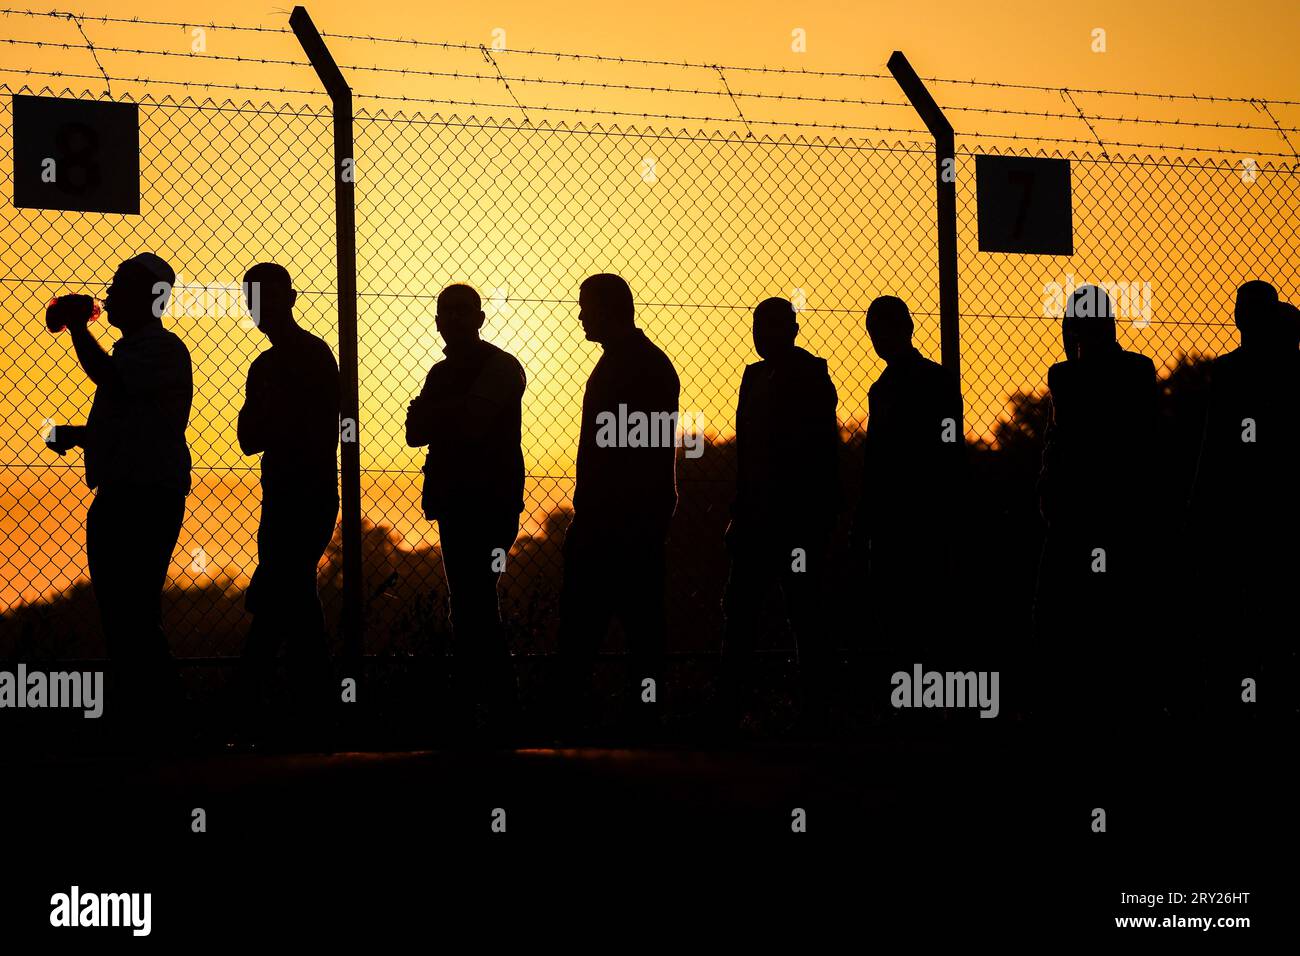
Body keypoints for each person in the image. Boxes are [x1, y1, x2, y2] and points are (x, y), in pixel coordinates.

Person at [45, 253, 192, 723]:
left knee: (133, 614)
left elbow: (113, 382)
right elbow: (136, 421)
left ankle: (165, 720)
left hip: (143, 496)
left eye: (120, 285)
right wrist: (79, 434)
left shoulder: (162, 349)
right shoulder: (136, 350)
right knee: (123, 615)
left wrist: (77, 328)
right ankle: (149, 718)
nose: (107, 292)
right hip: (129, 491)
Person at [557, 274, 680, 738]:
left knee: (600, 633)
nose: (581, 315)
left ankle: (595, 727)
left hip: (620, 524)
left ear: (610, 308)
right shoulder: (630, 363)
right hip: (620, 521)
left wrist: (605, 516)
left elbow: (637, 455)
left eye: (587, 306)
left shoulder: (637, 367)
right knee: (631, 633)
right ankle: (631, 725)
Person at [1034, 284, 1158, 723]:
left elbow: (1064, 443)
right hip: (1122, 510)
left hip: (1078, 513)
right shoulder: (1139, 371)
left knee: (1059, 609)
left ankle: (1067, 704)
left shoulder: (1066, 378)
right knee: (1118, 609)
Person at [407, 284, 526, 736]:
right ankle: (489, 711)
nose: (454, 319)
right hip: (455, 504)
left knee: (476, 602)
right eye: (447, 313)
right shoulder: (442, 372)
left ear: (479, 318)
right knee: (470, 604)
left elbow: (469, 425)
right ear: (438, 322)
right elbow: (416, 431)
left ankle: (491, 711)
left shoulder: (501, 365)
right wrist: (454, 410)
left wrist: (437, 412)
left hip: (491, 504)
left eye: (463, 312)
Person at [720, 297, 840, 733]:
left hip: (794, 518)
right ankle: (734, 708)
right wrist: (740, 508)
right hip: (758, 517)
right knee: (743, 612)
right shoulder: (754, 377)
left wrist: (819, 514)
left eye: (768, 325)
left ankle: (812, 709)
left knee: (801, 611)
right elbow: (748, 454)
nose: (759, 334)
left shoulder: (810, 374)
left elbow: (821, 451)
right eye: (756, 325)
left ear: (790, 330)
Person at [236, 263, 340, 733]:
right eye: (254, 299)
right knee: (292, 597)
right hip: (280, 497)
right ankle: (313, 713)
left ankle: (250, 706)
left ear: (290, 299)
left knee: (281, 593)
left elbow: (311, 428)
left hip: (309, 492)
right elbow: (248, 436)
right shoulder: (266, 365)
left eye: (270, 297)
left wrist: (276, 417)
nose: (262, 309)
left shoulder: (312, 356)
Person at [1189, 282, 1300, 719]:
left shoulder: (1233, 371)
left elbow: (1213, 449)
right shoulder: (1287, 368)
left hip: (1241, 514)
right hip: (1270, 513)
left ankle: (1241, 708)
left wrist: (1198, 508)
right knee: (1271, 623)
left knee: (1242, 625)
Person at [852, 296, 964, 654]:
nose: (878, 339)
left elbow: (945, 443)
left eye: (883, 330)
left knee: (908, 615)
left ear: (906, 329)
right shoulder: (913, 383)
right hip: (912, 514)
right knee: (914, 615)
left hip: (911, 514)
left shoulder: (907, 385)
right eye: (874, 332)